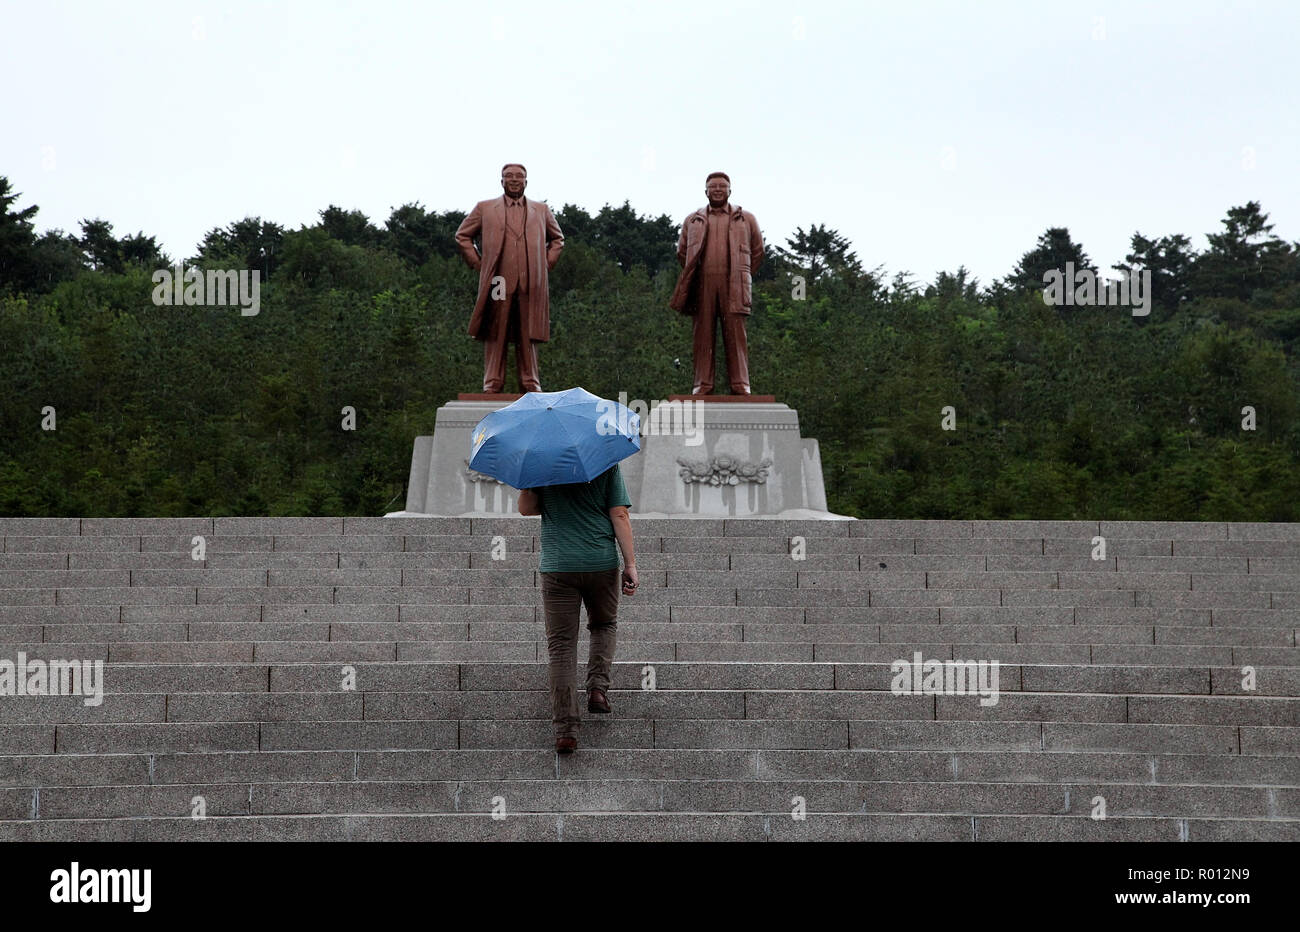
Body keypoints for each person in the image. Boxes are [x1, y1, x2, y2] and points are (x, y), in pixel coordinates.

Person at [518, 464, 637, 753]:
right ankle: (597, 688)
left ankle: (566, 730)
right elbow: (619, 513)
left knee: (561, 647)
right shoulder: (605, 462)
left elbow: (526, 509)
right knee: (604, 625)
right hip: (601, 562)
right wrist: (631, 564)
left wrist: (532, 480)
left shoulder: (542, 462)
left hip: (558, 566)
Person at [455, 163, 565, 393]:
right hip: (498, 281)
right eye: (509, 176)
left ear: (526, 181)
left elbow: (558, 240)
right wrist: (479, 263)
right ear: (501, 180)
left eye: (519, 176)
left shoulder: (541, 210)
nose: (514, 180)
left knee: (529, 332)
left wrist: (545, 265)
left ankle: (530, 380)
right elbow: (462, 235)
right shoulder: (485, 208)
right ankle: (492, 380)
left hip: (530, 282)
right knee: (496, 330)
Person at [668, 171, 764, 395]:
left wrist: (742, 275)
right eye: (713, 187)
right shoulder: (693, 220)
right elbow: (682, 253)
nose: (718, 190)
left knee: (736, 335)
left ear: (730, 191)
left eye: (722, 186)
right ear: (706, 191)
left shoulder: (746, 218)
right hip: (703, 285)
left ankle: (741, 383)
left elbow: (758, 252)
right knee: (702, 335)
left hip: (734, 285)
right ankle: (702, 383)